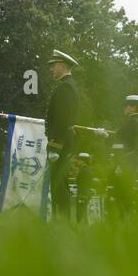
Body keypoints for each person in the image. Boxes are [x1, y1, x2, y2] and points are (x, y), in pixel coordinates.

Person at [44, 49, 80, 221]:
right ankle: (61, 220)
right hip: (63, 141)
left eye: (53, 66)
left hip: (61, 142)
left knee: (59, 185)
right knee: (59, 183)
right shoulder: (67, 85)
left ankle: (63, 222)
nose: (51, 70)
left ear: (61, 66)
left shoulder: (66, 87)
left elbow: (62, 118)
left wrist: (55, 146)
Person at [118, 94, 138, 175]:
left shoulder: (133, 121)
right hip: (127, 158)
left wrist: (105, 136)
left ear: (134, 107)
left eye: (126, 106)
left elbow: (125, 141)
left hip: (127, 159)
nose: (124, 108)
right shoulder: (132, 120)